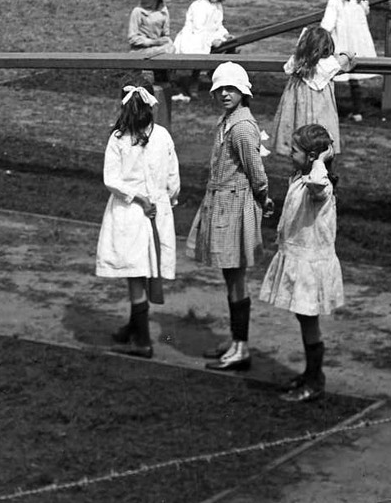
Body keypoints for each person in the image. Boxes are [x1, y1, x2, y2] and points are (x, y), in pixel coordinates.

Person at [191, 62, 272, 373]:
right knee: (230, 275)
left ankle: (242, 348)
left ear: (243, 92)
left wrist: (263, 200)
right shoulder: (228, 121)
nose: (225, 93)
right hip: (222, 202)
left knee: (236, 278)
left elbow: (257, 173)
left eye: (231, 89)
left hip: (235, 205)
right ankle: (237, 341)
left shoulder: (241, 127)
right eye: (220, 89)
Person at [256, 122, 342, 403]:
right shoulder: (300, 177)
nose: (290, 154)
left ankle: (315, 380)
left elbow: (317, 182)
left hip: (310, 264)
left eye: (295, 151)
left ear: (312, 157)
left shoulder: (321, 186)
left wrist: (321, 159)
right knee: (304, 319)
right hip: (298, 257)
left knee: (308, 320)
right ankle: (309, 373)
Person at [98, 85, 180, 358]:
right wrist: (167, 200)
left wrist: (138, 197)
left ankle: (142, 341)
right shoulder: (163, 136)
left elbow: (112, 179)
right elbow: (173, 179)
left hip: (130, 212)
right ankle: (134, 327)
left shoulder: (118, 138)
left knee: (135, 273)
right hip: (157, 211)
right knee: (143, 268)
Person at [267, 24, 346, 177]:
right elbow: (346, 60)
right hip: (321, 112)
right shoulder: (328, 64)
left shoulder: (298, 62)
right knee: (320, 144)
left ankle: (300, 174)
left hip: (298, 113)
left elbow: (288, 67)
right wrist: (346, 55)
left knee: (301, 148)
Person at [322, 0, 378, 120]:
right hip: (358, 42)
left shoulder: (335, 1)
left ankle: (329, 108)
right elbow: (365, 13)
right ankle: (358, 110)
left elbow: (327, 25)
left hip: (342, 42)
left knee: (331, 73)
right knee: (354, 76)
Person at [128, 0, 177, 98]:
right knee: (156, 56)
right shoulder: (138, 12)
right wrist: (151, 42)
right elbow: (132, 37)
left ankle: (165, 83)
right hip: (142, 49)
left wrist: (164, 40)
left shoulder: (163, 12)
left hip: (160, 49)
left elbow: (166, 34)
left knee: (170, 48)